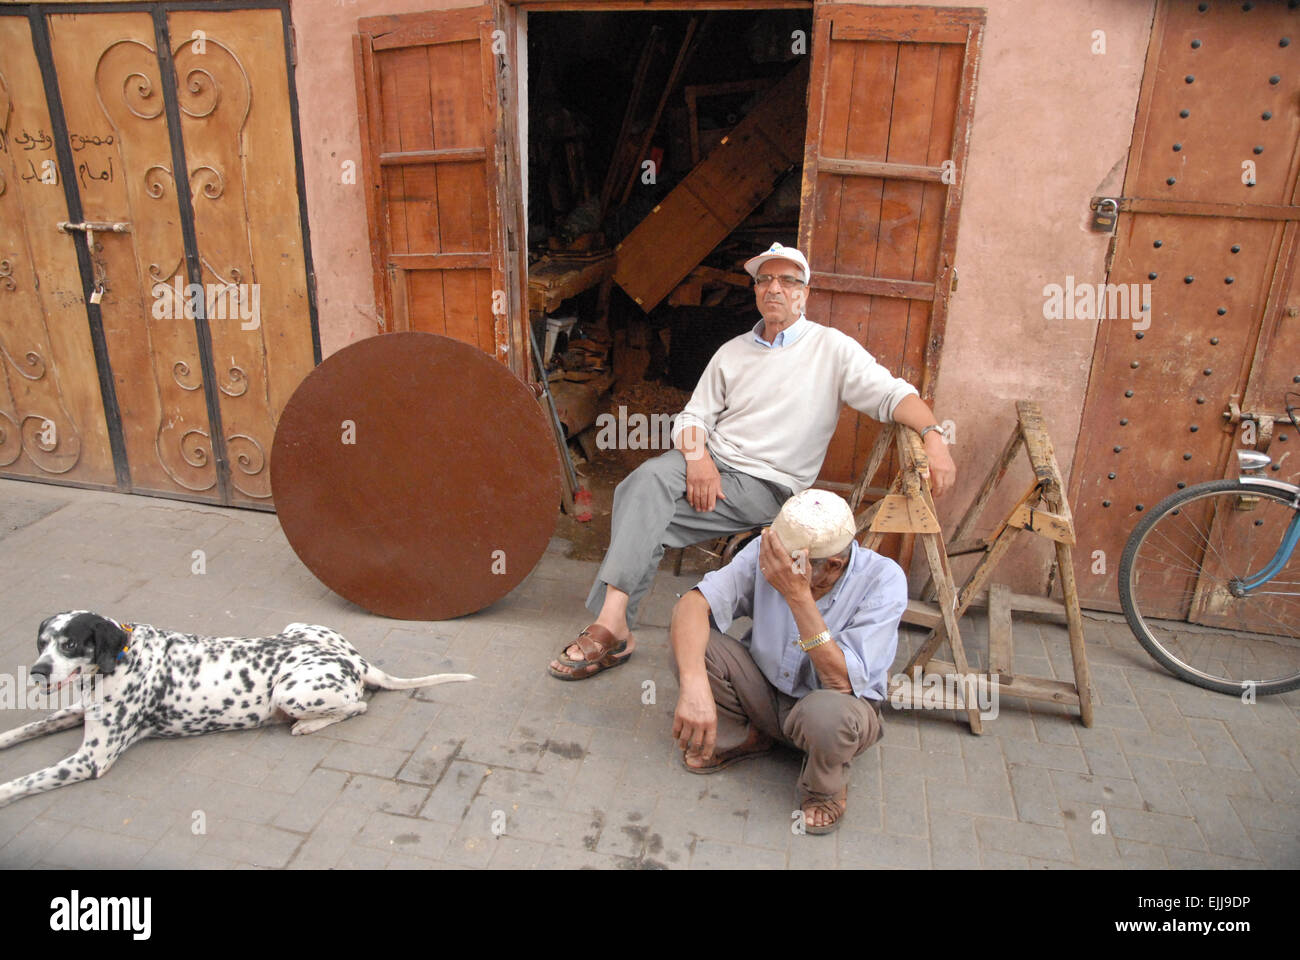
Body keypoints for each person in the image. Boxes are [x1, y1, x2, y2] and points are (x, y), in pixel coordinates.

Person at [547, 242, 954, 680]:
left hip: (767, 484)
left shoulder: (832, 350)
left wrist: (934, 436)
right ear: (756, 290)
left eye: (787, 281)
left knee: (642, 508)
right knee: (643, 483)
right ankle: (614, 623)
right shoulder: (734, 351)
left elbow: (894, 396)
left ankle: (613, 627)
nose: (774, 288)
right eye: (765, 280)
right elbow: (692, 416)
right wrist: (698, 456)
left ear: (804, 293)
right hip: (711, 461)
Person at [670, 490, 903, 834]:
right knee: (690, 641)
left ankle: (823, 788)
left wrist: (798, 595)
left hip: (834, 708)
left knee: (827, 715)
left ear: (833, 566)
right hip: (764, 691)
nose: (770, 565)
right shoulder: (773, 551)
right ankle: (750, 736)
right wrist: (693, 688)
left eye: (783, 562)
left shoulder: (884, 580)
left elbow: (842, 684)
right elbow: (690, 606)